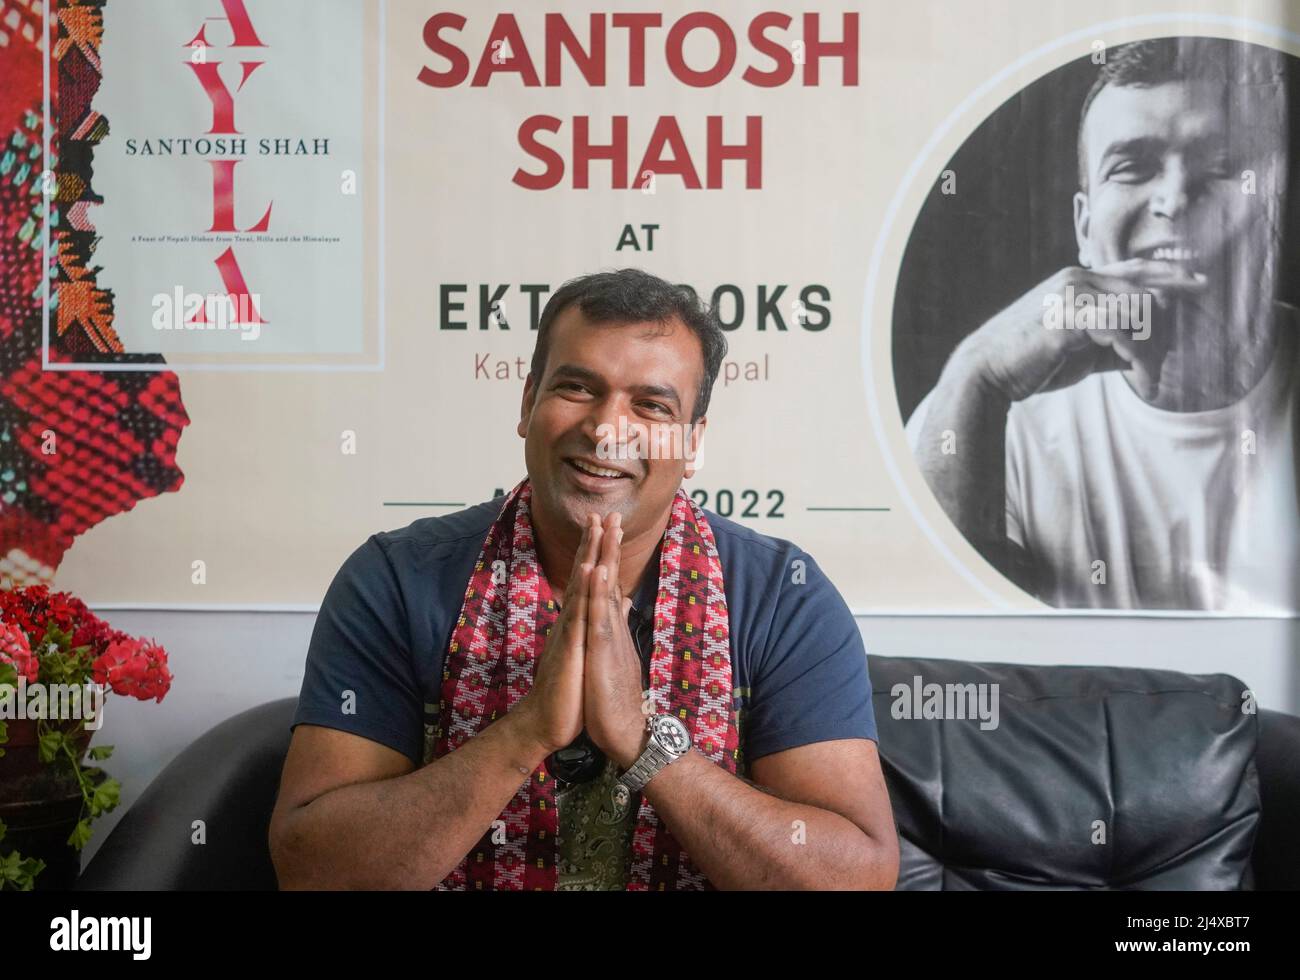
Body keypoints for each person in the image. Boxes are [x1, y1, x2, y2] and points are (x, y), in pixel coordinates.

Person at [269, 268, 899, 890]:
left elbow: (857, 880)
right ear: (527, 403)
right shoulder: (396, 581)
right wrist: (529, 729)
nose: (605, 430)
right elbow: (312, 869)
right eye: (576, 388)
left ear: (693, 444)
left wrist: (645, 741)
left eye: (651, 405)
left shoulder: (782, 596)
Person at [907, 37, 1300, 611]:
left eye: (1221, 168)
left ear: (1272, 212)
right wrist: (976, 376)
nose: (1173, 198)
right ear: (1085, 229)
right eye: (1133, 167)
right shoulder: (978, 413)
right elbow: (933, 633)